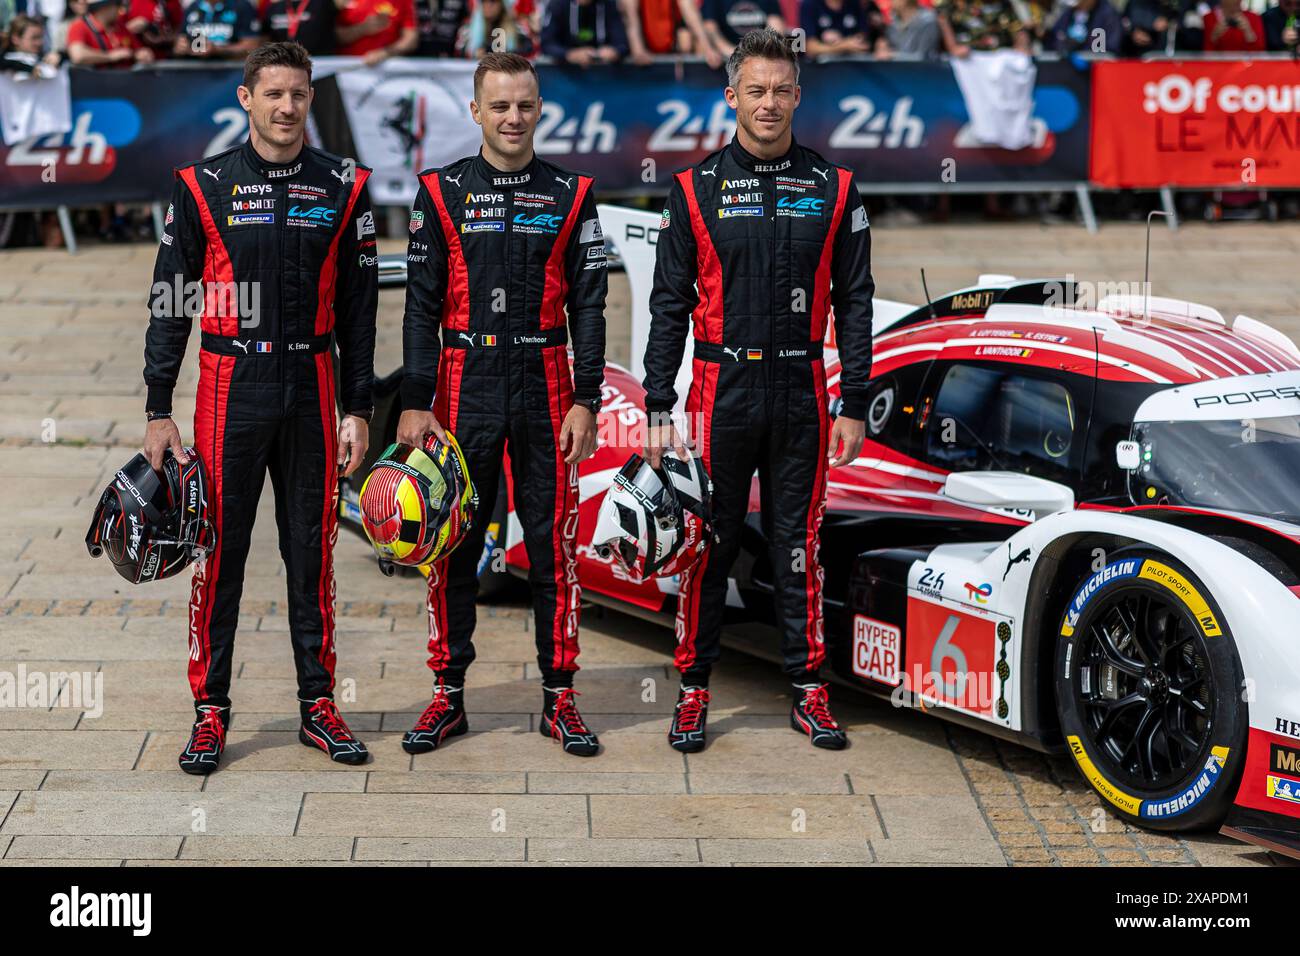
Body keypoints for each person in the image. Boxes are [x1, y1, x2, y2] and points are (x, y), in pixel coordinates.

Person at [143, 41, 378, 774]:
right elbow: (171, 300)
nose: (286, 108)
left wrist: (359, 407)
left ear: (311, 99)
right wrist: (158, 405)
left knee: (313, 556)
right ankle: (210, 711)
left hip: (312, 385)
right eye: (272, 94)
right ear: (245, 98)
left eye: (299, 95)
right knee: (219, 556)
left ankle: (318, 705)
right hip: (226, 386)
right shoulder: (202, 183)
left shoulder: (344, 183)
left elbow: (359, 309)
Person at [643, 28, 873, 753]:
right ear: (731, 96)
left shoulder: (834, 188)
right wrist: (656, 401)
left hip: (802, 388)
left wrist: (856, 401)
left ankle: (809, 690)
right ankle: (693, 690)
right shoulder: (693, 188)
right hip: (719, 386)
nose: (768, 103)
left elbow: (857, 300)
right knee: (704, 543)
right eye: (755, 90)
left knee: (797, 544)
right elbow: (668, 303)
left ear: (798, 96)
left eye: (781, 90)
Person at [397, 51, 607, 757]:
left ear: (539, 109)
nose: (513, 117)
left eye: (525, 105)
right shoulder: (441, 190)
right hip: (464, 377)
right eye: (500, 106)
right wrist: (415, 402)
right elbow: (419, 305)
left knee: (555, 546)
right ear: (476, 111)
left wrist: (586, 397)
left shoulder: (574, 193)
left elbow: (592, 303)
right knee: (449, 543)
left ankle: (561, 698)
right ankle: (447, 696)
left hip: (548, 376)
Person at [66, 0, 154, 65]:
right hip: (97, 86)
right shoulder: (79, 26)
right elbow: (78, 56)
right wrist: (110, 57)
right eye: (117, 5)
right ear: (104, 7)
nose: (121, 10)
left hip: (125, 85)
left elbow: (136, 50)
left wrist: (141, 54)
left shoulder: (121, 26)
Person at [539, 0, 628, 63]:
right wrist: (569, 54)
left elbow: (622, 43)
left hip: (606, 75)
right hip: (566, 75)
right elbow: (546, 43)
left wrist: (614, 51)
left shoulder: (609, 5)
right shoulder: (558, 4)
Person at [336, 0, 417, 61]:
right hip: (347, 70)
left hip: (387, 72)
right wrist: (362, 29)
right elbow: (334, 37)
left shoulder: (403, 1)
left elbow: (411, 40)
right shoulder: (344, 3)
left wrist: (385, 53)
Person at [701, 0, 783, 57]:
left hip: (760, 56)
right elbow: (710, 27)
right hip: (725, 61)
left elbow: (776, 28)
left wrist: (764, 51)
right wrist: (733, 53)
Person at [176, 0, 260, 56]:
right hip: (193, 74)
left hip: (230, 75)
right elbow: (179, 41)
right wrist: (181, 47)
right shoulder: (192, 7)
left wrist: (218, 50)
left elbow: (252, 46)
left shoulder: (241, 6)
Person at [799, 0, 883, 56]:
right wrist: (842, 46)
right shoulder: (809, 5)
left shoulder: (854, 4)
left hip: (854, 70)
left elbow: (863, 38)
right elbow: (810, 48)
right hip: (820, 73)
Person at [259, 0, 338, 53]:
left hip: (322, 64)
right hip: (286, 64)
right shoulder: (274, 7)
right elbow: (265, 37)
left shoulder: (324, 4)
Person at [1045, 0, 1122, 54]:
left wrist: (1083, 53)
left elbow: (1110, 48)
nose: (1079, 5)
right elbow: (1055, 39)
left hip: (1096, 71)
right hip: (1068, 70)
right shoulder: (1069, 13)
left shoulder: (1107, 15)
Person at [462, 0, 533, 57]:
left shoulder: (516, 27)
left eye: (493, 1)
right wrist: (475, 53)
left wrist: (505, 54)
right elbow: (460, 50)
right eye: (483, 1)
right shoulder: (470, 28)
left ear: (502, 4)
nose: (488, 5)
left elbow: (528, 47)